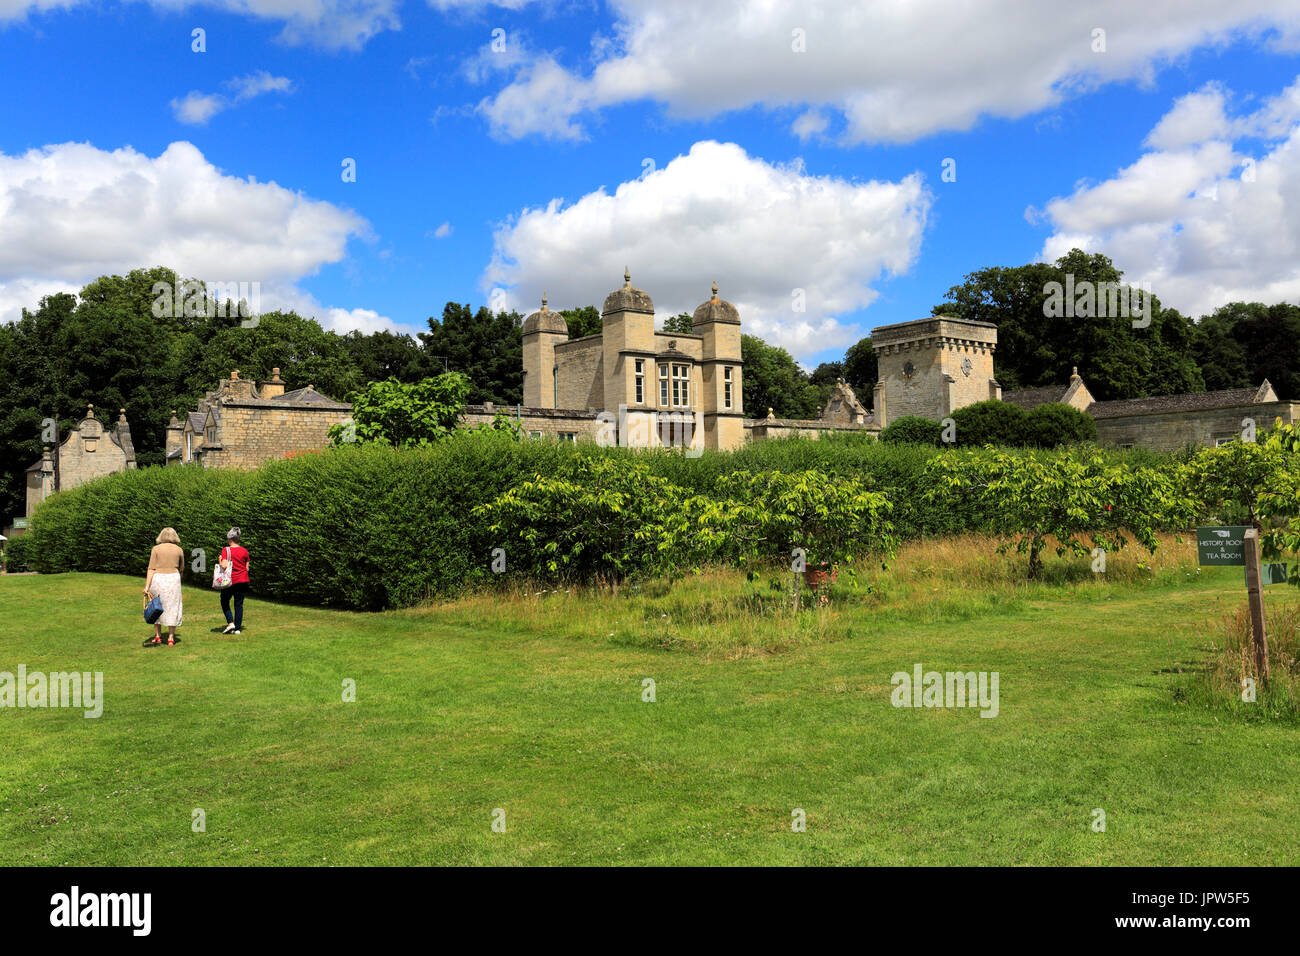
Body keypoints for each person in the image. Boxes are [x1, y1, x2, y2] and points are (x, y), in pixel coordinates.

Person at [143, 527, 184, 647]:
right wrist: (177, 580)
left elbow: (151, 568)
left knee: (157, 605)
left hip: (159, 578)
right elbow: (181, 569)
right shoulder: (179, 550)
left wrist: (147, 586)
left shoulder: (156, 549)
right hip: (173, 579)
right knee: (172, 606)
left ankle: (158, 636)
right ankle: (171, 638)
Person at [219, 527, 251, 635]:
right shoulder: (245, 551)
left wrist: (219, 560)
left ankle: (230, 622)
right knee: (239, 604)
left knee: (224, 601)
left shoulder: (226, 550)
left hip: (230, 581)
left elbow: (224, 565)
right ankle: (237, 629)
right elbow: (247, 568)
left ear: (230, 538)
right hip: (243, 580)